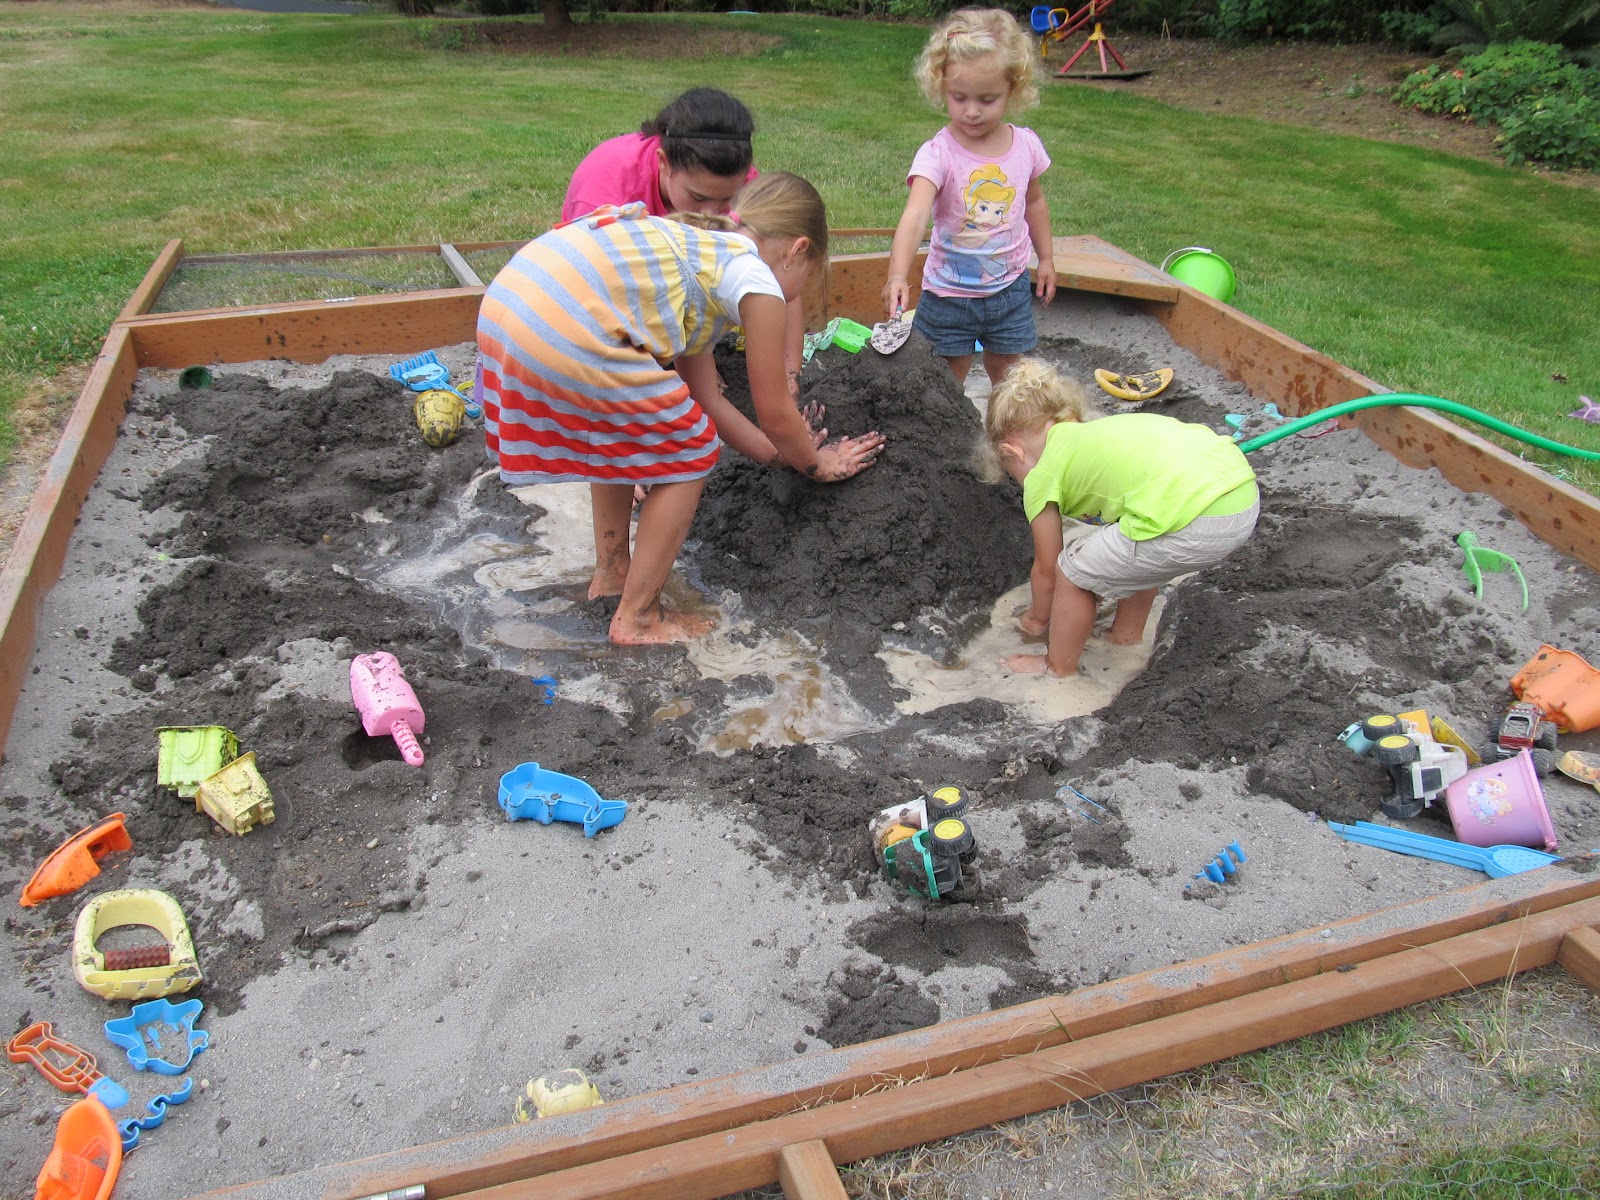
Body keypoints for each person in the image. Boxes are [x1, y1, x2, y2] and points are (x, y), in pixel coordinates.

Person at [476, 173, 886, 647]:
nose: (797, 293)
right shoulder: (758, 281)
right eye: (809, 276)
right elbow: (775, 414)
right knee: (687, 448)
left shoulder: (702, 257)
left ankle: (612, 575)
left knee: (631, 434)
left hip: (512, 308)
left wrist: (777, 458)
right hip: (558, 328)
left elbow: (708, 398)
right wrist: (815, 463)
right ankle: (639, 617)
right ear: (796, 250)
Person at [979, 359, 1259, 677]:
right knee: (1136, 537)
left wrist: (1037, 620)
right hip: (1239, 494)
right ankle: (1125, 637)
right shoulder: (1091, 435)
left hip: (1197, 518)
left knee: (1072, 571)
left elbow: (1046, 571)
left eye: (1010, 471)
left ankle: (1055, 667)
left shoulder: (1041, 475)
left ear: (1013, 452)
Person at [564, 88, 807, 395]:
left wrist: (788, 379)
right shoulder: (609, 188)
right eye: (698, 197)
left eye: (726, 200)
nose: (710, 214)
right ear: (664, 162)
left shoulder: (743, 185)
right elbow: (591, 299)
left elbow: (780, 273)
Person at [883, 8, 1057, 388]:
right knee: (946, 380)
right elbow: (915, 217)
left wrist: (1046, 258)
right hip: (948, 294)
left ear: (1013, 88)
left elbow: (1034, 203)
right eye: (959, 97)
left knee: (1009, 376)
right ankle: (953, 439)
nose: (972, 111)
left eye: (987, 99)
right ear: (941, 86)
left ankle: (1003, 439)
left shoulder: (1025, 145)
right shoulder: (938, 153)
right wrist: (898, 274)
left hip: (1009, 287)